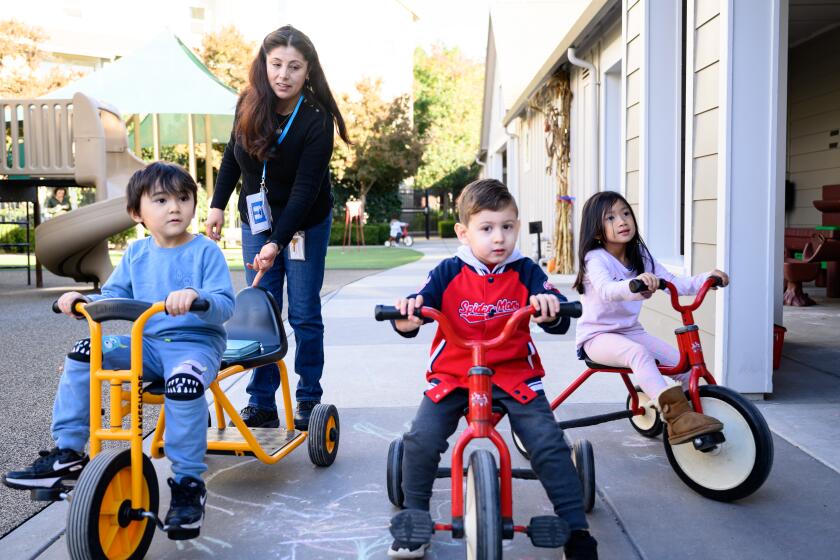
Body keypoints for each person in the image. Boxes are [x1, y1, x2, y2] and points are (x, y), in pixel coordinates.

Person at [3, 162, 235, 540]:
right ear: (137, 214)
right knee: (85, 350)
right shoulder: (136, 254)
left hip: (195, 345)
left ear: (194, 205)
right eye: (160, 200)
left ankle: (189, 484)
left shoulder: (205, 252)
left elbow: (226, 304)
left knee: (183, 384)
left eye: (183, 198)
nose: (174, 207)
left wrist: (197, 297)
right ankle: (69, 451)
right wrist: (82, 299)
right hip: (147, 344)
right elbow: (112, 296)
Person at [386, 179, 598, 559]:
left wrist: (549, 308)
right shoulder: (448, 271)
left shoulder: (526, 271)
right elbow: (418, 308)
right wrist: (407, 316)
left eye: (507, 226)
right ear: (464, 233)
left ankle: (576, 530)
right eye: (487, 229)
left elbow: (559, 313)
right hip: (454, 374)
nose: (499, 237)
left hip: (514, 374)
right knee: (421, 438)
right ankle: (415, 516)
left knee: (548, 442)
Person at [205, 25, 350, 431]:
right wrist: (217, 205)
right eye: (276, 64)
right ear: (264, 64)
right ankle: (261, 400)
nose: (283, 74)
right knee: (260, 310)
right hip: (257, 218)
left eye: (294, 67)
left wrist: (277, 242)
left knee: (303, 312)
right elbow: (233, 159)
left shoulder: (316, 120)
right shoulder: (248, 103)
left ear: (308, 71)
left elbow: (306, 190)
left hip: (304, 224)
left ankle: (309, 398)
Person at [573, 190, 729, 445]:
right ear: (598, 231)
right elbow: (607, 290)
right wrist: (634, 285)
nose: (622, 221)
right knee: (639, 355)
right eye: (610, 218)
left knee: (685, 366)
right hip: (597, 337)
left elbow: (675, 283)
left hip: (631, 331)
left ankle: (701, 417)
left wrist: (706, 279)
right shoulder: (595, 259)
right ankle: (678, 420)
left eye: (625, 213)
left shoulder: (641, 257)